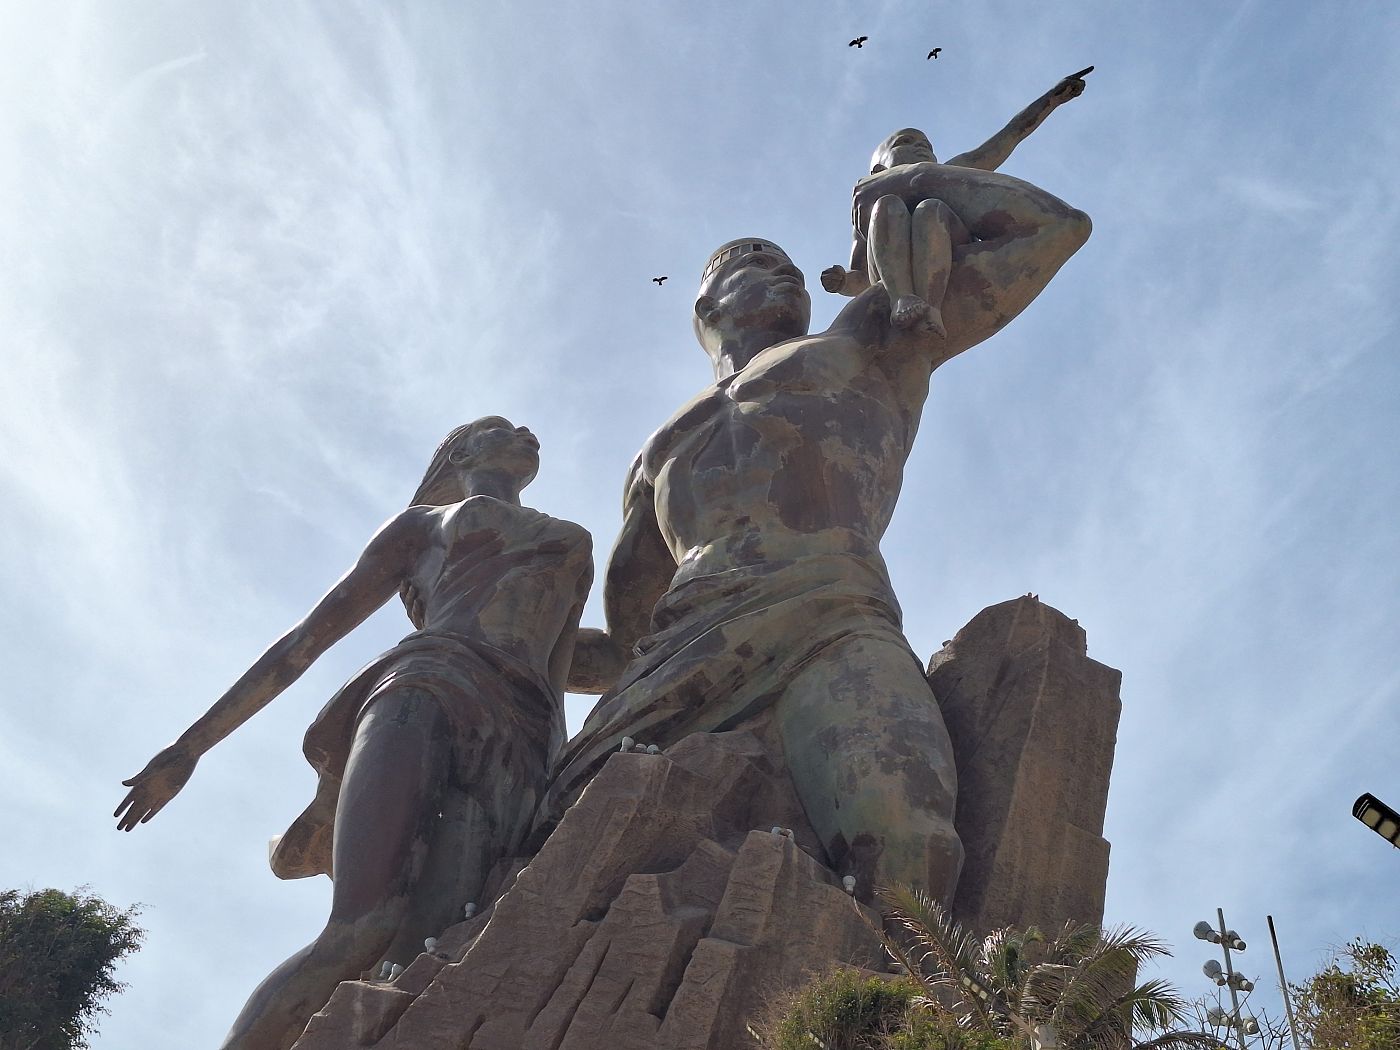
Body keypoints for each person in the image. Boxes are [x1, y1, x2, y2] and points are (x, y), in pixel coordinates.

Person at [553, 164, 1089, 908]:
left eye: (795, 268)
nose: (789, 275)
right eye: (759, 263)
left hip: (832, 620)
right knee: (546, 857)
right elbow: (619, 644)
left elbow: (1054, 229)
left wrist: (906, 181)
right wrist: (485, 647)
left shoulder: (868, 337)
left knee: (911, 846)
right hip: (682, 654)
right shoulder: (657, 452)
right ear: (708, 305)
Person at [114, 417, 592, 1050]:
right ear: (461, 452)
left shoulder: (574, 542)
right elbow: (303, 644)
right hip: (425, 689)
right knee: (361, 932)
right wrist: (190, 746)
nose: (528, 431)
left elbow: (559, 668)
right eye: (501, 426)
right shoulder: (422, 525)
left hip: (520, 738)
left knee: (444, 936)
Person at [822, 67, 1092, 336]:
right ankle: (901, 298)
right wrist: (842, 281)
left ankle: (932, 309)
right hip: (891, 275)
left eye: (927, 145)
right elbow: (861, 276)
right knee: (887, 205)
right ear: (878, 169)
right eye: (906, 142)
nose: (922, 147)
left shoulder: (951, 172)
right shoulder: (867, 196)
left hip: (945, 248)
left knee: (931, 209)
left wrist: (1051, 100)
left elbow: (1009, 137)